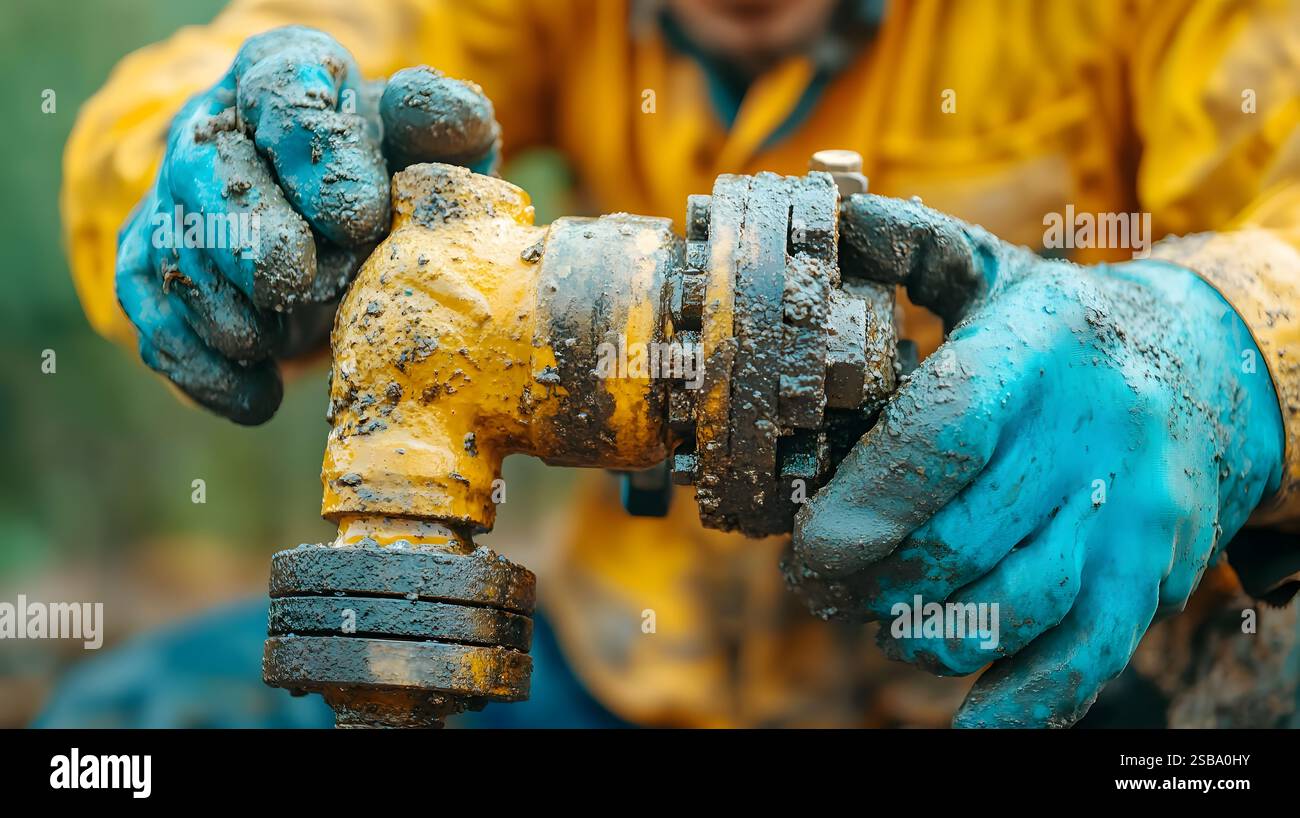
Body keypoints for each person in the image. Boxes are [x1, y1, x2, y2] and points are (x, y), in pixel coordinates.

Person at [55, 0, 1300, 728]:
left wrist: (1214, 346)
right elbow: (280, 45)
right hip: (636, 672)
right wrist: (211, 155)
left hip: (1060, 682)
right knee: (120, 730)